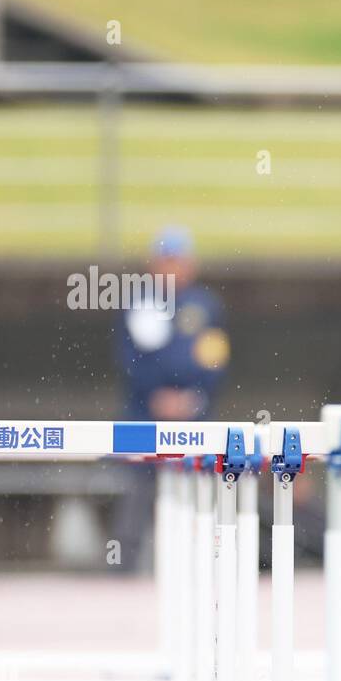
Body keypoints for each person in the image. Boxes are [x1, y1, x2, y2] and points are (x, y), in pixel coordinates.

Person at [112, 227, 229, 572]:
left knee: (199, 497)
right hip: (145, 417)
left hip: (194, 418)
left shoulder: (206, 307)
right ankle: (122, 572)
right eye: (166, 261)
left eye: (179, 261)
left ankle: (200, 568)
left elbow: (215, 357)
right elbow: (129, 359)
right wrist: (156, 397)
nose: (172, 268)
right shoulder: (139, 304)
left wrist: (193, 398)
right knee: (136, 497)